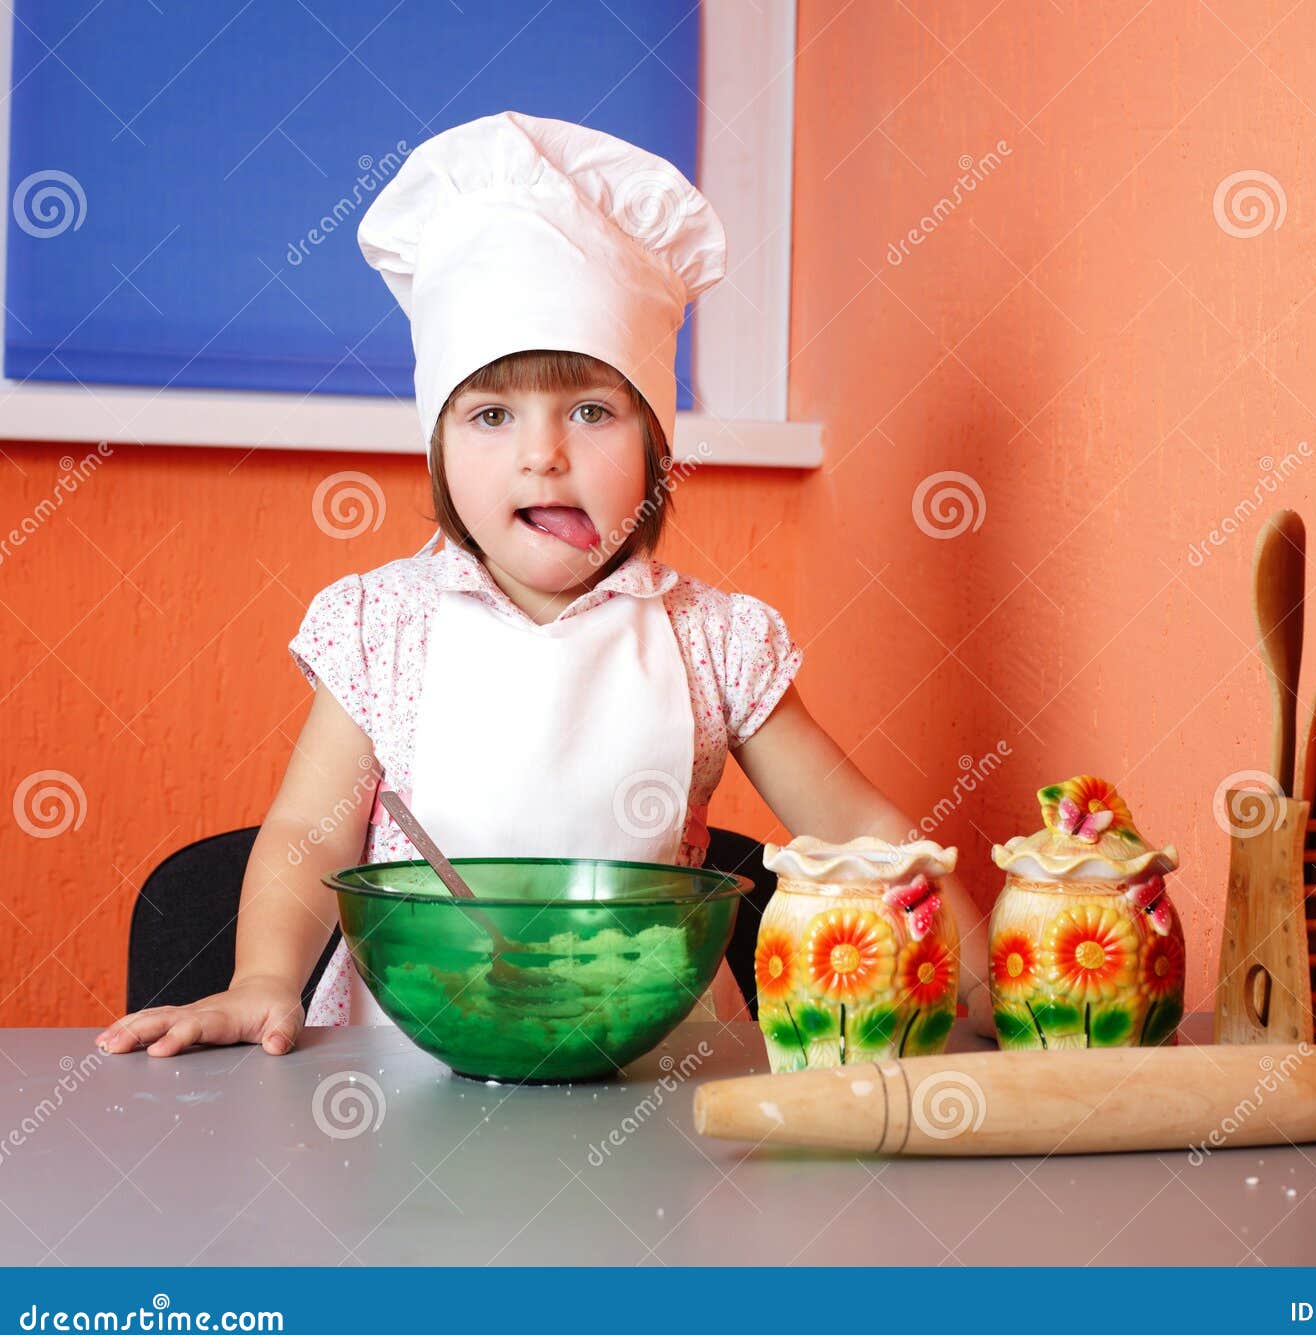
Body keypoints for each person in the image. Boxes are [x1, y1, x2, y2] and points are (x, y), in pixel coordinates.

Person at [94, 111, 995, 1059]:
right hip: (401, 1073)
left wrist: (990, 999)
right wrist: (262, 983)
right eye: (490, 414)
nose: (543, 456)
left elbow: (867, 835)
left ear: (656, 448)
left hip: (650, 1072)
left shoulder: (719, 642)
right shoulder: (379, 627)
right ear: (438, 451)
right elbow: (306, 839)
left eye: (593, 411)